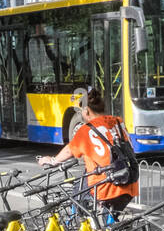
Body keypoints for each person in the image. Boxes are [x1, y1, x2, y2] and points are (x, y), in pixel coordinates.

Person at [35, 87, 138, 218]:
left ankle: (83, 229)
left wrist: (52, 160)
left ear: (87, 110)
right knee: (110, 222)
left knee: (78, 197)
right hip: (129, 181)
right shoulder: (118, 122)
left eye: (81, 111)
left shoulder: (86, 130)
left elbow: (69, 150)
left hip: (106, 186)